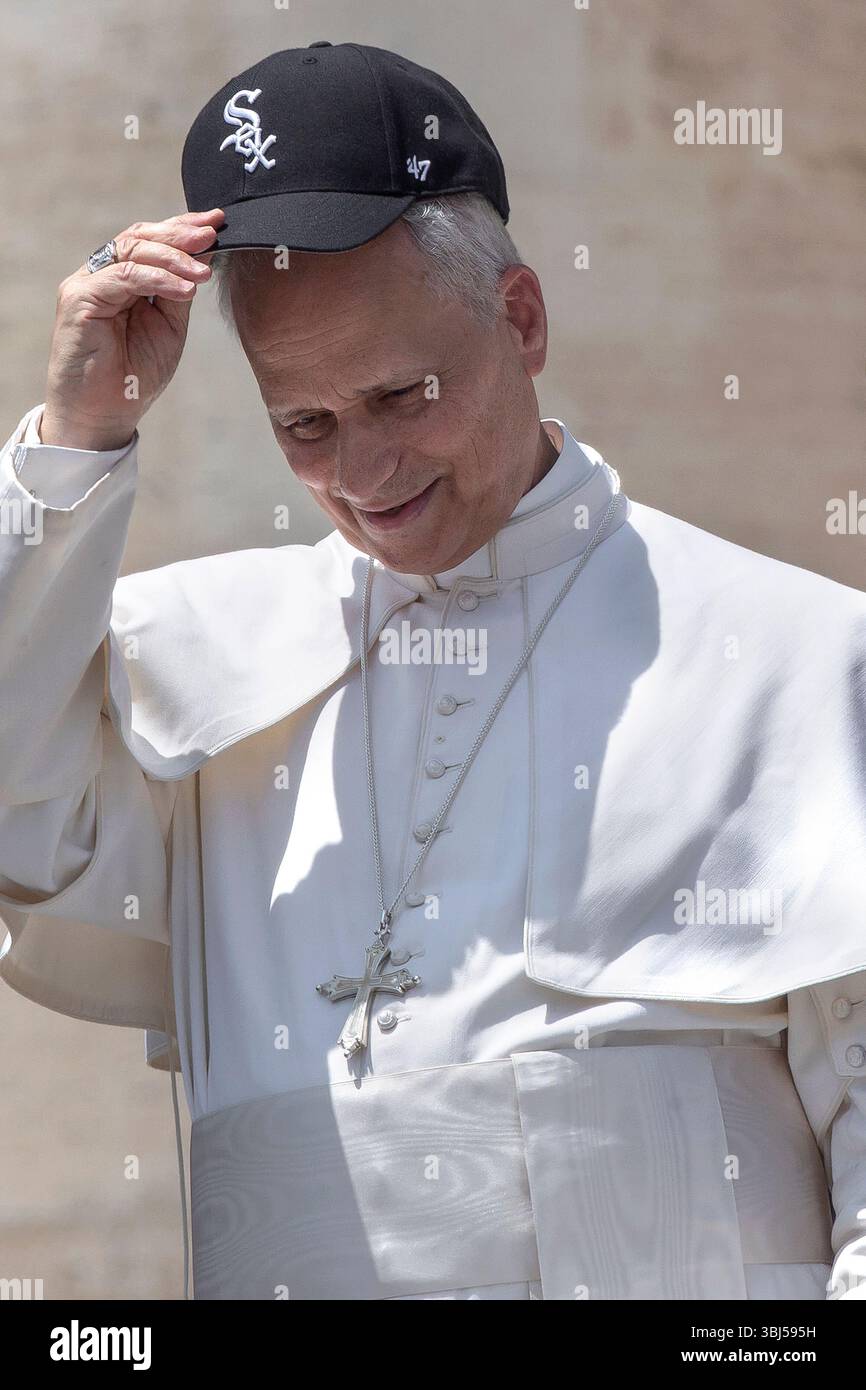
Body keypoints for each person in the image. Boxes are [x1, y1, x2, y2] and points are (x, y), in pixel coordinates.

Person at [1, 41, 865, 1302]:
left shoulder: (791, 652)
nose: (363, 475)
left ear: (520, 318)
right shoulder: (197, 667)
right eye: (304, 425)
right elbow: (22, 822)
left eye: (402, 394)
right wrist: (80, 438)